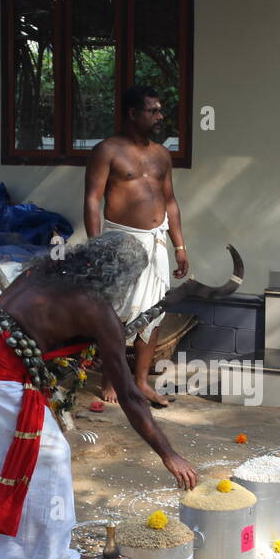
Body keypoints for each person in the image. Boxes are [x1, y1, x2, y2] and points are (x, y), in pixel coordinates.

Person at [0, 232, 198, 559]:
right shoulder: (97, 310)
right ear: (122, 278)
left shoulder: (43, 271)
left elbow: (33, 327)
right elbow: (130, 395)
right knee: (51, 457)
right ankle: (53, 555)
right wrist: (168, 453)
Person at [84, 85, 188, 408]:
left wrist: (180, 246)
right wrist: (97, 246)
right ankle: (112, 378)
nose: (160, 116)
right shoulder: (108, 151)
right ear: (132, 113)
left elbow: (170, 201)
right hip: (120, 241)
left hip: (156, 242)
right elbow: (92, 199)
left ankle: (141, 381)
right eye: (152, 111)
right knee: (117, 312)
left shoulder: (161, 154)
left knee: (153, 312)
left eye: (160, 110)